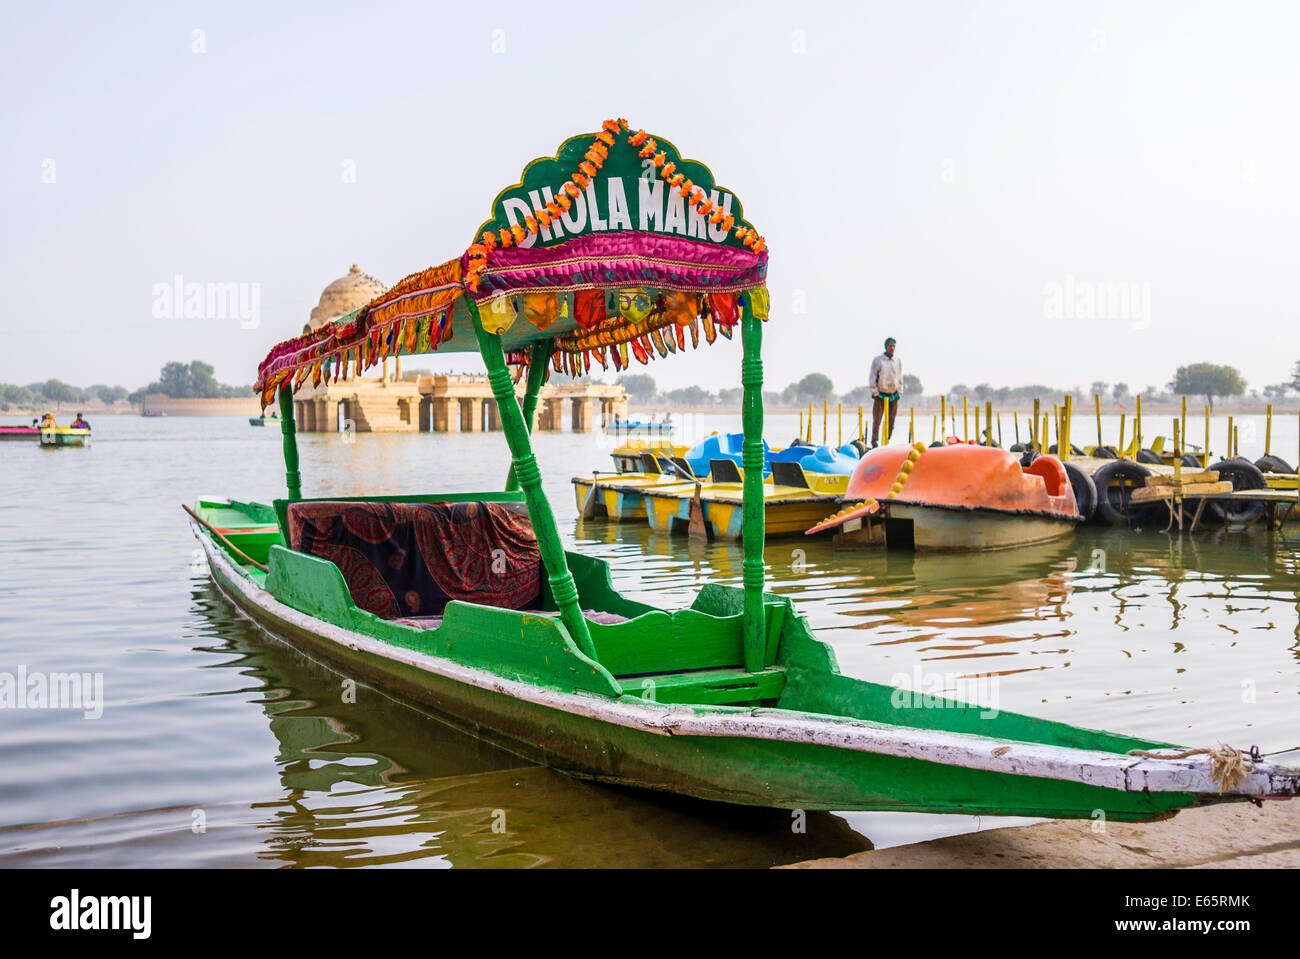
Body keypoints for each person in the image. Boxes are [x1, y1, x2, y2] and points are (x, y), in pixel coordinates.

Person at [869, 337, 902, 446]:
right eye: (890, 346)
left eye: (893, 346)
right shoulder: (878, 360)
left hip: (893, 395)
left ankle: (886, 441)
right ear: (886, 347)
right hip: (881, 395)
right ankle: (874, 442)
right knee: (877, 420)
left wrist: (900, 392)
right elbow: (872, 376)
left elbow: (900, 377)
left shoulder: (897, 361)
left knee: (891, 422)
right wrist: (875, 392)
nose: (892, 348)